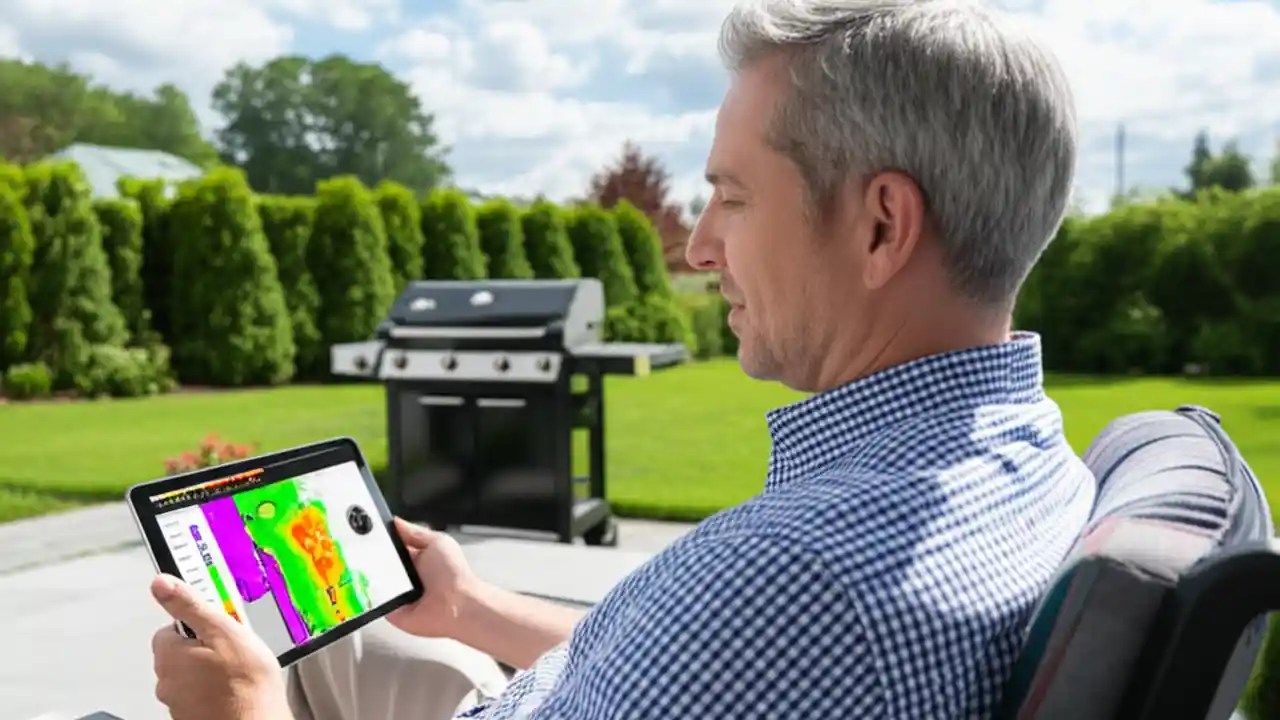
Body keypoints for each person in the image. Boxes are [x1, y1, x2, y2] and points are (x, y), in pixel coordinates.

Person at [148, 0, 1096, 717]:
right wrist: (474, 606)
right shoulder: (1025, 459)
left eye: (732, 196)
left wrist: (245, 711)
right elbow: (709, 667)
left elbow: (742, 633)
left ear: (882, 225)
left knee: (260, 656)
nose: (699, 248)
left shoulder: (795, 572)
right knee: (328, 633)